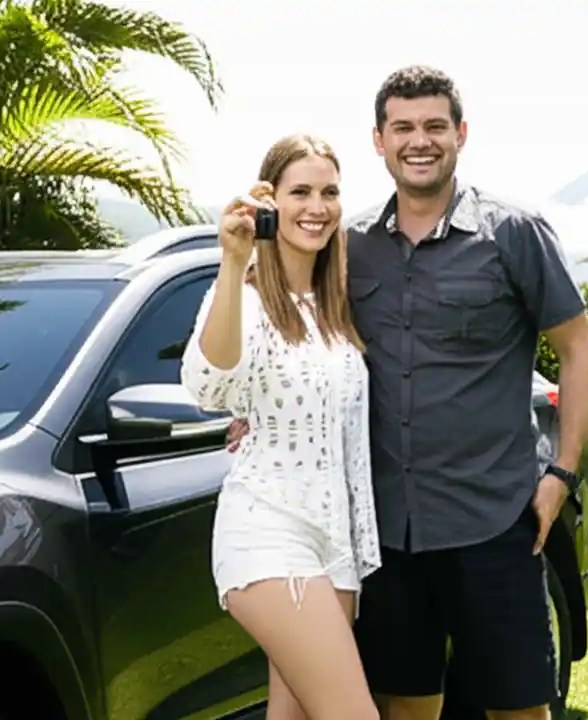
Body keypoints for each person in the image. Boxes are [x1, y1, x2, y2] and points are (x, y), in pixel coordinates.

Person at [227, 66, 588, 720]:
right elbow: (293, 321)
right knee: (404, 707)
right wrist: (252, 409)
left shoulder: (514, 233)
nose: (418, 141)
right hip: (387, 536)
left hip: (493, 523)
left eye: (434, 126)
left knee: (519, 710)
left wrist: (561, 474)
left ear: (460, 134)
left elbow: (579, 351)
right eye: (402, 127)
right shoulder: (351, 245)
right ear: (380, 140)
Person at [179, 133, 382, 720]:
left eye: (329, 192)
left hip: (336, 541)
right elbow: (208, 384)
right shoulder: (245, 298)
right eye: (300, 192)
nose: (317, 207)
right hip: (268, 532)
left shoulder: (334, 306)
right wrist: (232, 260)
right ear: (271, 200)